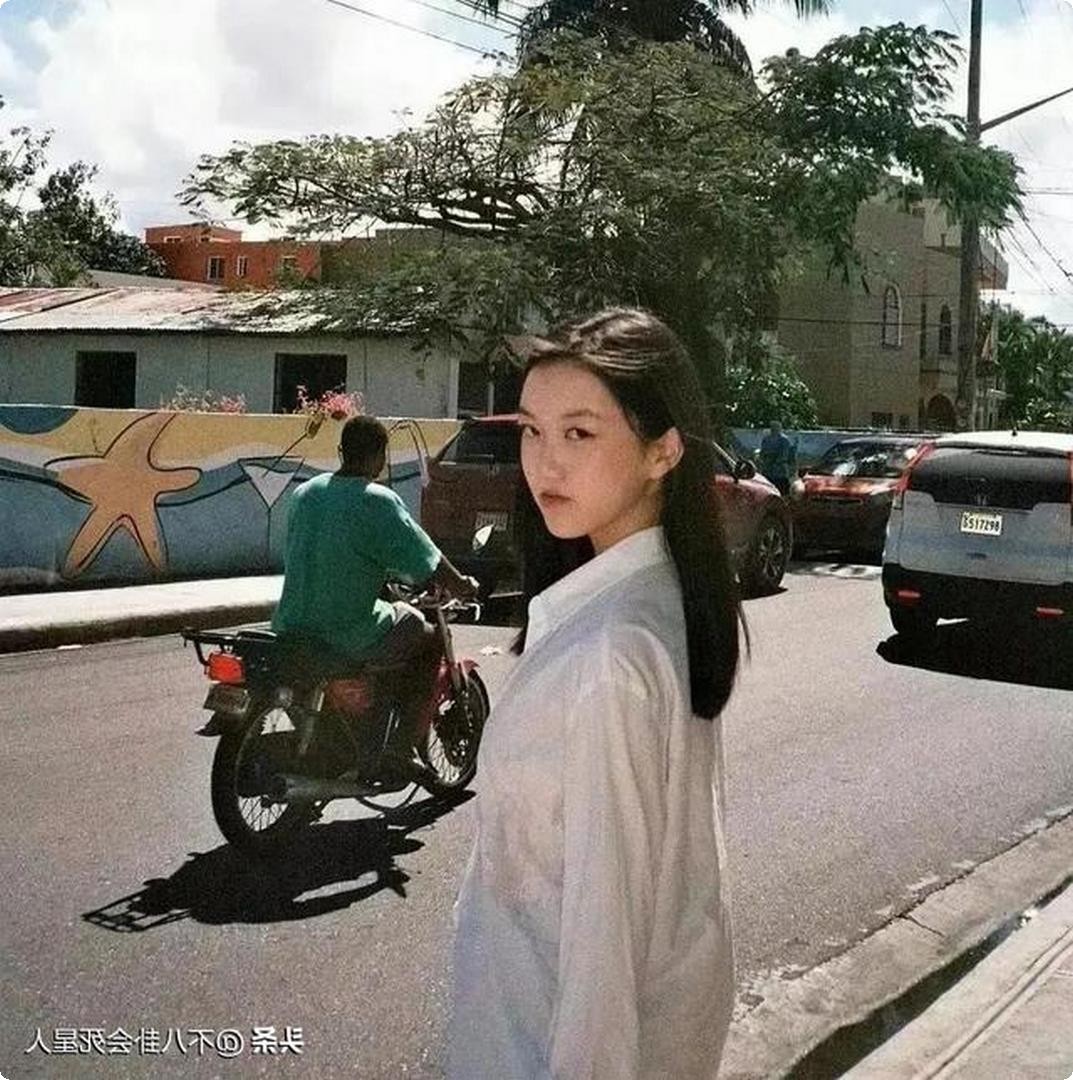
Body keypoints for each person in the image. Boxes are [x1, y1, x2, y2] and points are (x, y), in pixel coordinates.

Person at [448, 309, 743, 1079]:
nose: (545, 463)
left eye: (579, 434)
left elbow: (603, 940)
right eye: (532, 431)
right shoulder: (641, 604)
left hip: (538, 1045)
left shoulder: (611, 653)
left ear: (662, 450)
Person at [271, 414, 478, 777]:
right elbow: (426, 557)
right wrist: (463, 584)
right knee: (425, 638)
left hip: (292, 624)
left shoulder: (305, 493)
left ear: (340, 451)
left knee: (395, 621)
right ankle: (399, 749)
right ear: (381, 456)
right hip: (346, 632)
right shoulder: (377, 501)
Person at [758, 419, 797, 497]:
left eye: (776, 427)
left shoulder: (784, 440)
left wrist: (773, 461)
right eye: (773, 427)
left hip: (779, 471)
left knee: (783, 492)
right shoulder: (766, 439)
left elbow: (784, 455)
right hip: (768, 470)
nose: (774, 429)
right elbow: (763, 452)